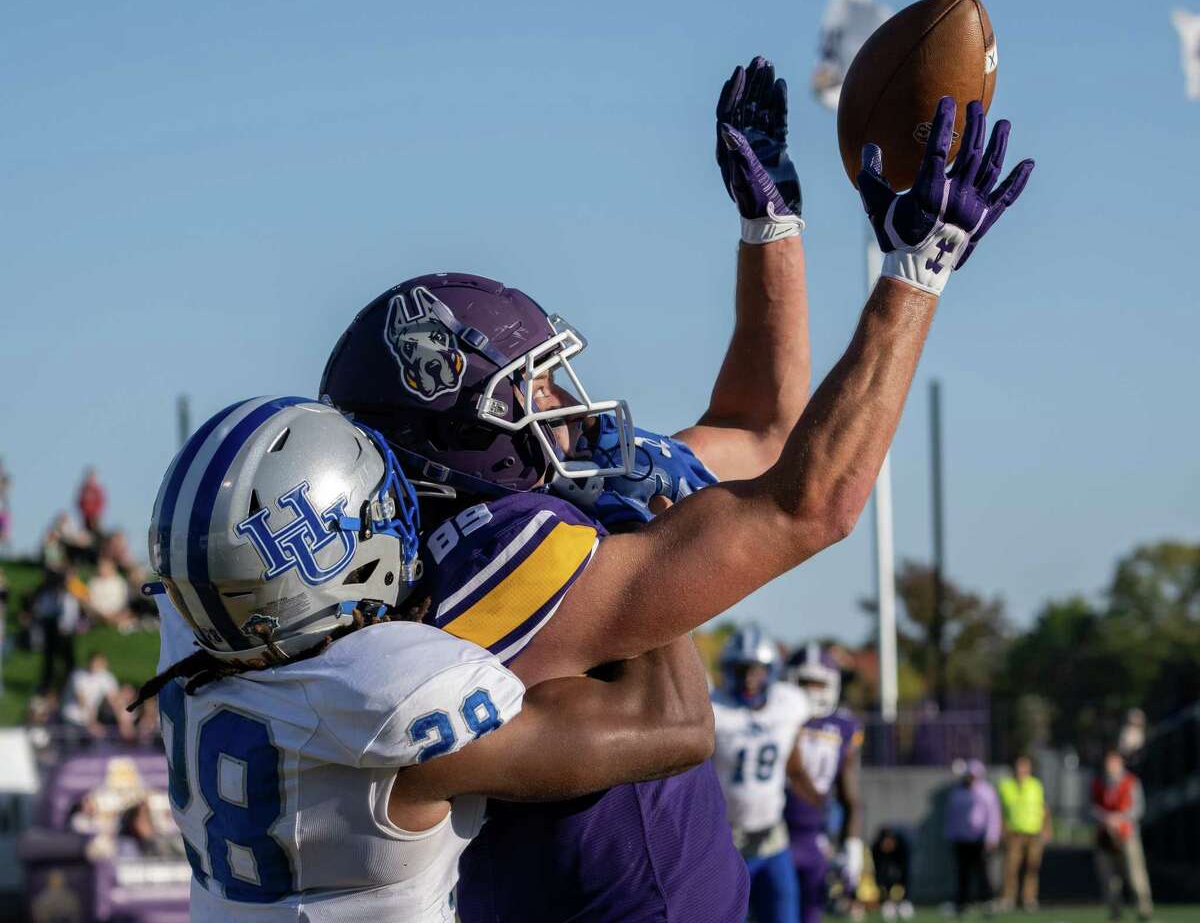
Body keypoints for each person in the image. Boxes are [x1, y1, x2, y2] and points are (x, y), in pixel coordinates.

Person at [320, 60, 1034, 919]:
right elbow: (814, 504)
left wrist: (771, 227)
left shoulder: (504, 517)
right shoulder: (494, 558)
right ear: (451, 436)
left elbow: (760, 426)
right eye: (529, 388)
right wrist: (919, 273)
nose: (559, 402)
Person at [138, 397, 714, 921]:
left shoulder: (193, 649)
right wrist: (629, 523)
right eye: (381, 504)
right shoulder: (384, 694)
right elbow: (677, 724)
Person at [712, 625, 817, 923]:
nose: (748, 679)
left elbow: (796, 764)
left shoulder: (790, 703)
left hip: (772, 839)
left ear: (771, 671)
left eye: (756, 670)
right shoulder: (714, 710)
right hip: (727, 842)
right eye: (741, 669)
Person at [784, 644, 865, 923]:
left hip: (813, 836)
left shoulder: (844, 727)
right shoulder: (775, 716)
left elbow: (849, 795)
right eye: (805, 682)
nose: (812, 690)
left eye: (819, 683)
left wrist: (852, 846)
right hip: (773, 834)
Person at [1092, 747, 1154, 921]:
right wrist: (1106, 819)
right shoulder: (1099, 782)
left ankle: (1144, 908)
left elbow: (1138, 808)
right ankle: (1115, 911)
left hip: (1127, 835)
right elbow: (1091, 808)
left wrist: (1120, 819)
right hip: (1105, 837)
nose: (1110, 765)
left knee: (1135, 875)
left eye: (1114, 761)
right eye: (1108, 762)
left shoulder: (1131, 782)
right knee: (1109, 878)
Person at [944, 758, 1001, 916]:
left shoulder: (986, 791)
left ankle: (987, 901)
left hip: (980, 839)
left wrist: (992, 837)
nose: (971, 778)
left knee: (982, 872)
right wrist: (951, 834)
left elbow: (993, 816)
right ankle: (963, 902)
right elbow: (952, 816)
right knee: (963, 873)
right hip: (962, 839)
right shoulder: (958, 792)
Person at [997, 753, 1051, 911]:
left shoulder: (1036, 785)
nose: (1022, 769)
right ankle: (1008, 898)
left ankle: (1029, 899)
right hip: (1014, 833)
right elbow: (1000, 811)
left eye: (1025, 766)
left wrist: (1047, 828)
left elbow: (1043, 808)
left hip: (1034, 832)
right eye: (1019, 766)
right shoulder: (1005, 786)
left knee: (1032, 868)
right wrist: (1001, 830)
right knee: (1010, 868)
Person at [63, 650, 134, 739]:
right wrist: (92, 723)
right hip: (72, 719)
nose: (95, 666)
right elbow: (82, 701)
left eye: (99, 663)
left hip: (90, 719)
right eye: (94, 663)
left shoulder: (106, 677)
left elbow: (115, 702)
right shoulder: (78, 676)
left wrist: (124, 723)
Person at [32, 568, 81, 693]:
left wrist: (64, 627)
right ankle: (47, 684)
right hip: (51, 628)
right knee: (50, 658)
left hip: (64, 632)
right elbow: (42, 610)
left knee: (67, 659)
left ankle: (68, 683)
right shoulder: (46, 593)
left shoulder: (67, 596)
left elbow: (69, 613)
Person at [872, 827, 913, 921]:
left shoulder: (903, 846)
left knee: (904, 876)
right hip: (885, 865)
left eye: (889, 843)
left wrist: (904, 895)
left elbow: (906, 870)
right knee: (884, 877)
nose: (887, 846)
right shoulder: (876, 848)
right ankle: (887, 903)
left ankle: (905, 902)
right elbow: (878, 872)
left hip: (901, 862)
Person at [85, 556, 135, 630]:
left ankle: (114, 621)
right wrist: (103, 613)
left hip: (117, 611)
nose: (103, 569)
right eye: (101, 567)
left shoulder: (120, 582)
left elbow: (123, 600)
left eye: (106, 567)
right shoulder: (93, 582)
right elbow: (91, 601)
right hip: (99, 613)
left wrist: (114, 612)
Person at [77, 467, 106, 537]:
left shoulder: (97, 489)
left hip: (96, 517)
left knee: (97, 533)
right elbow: (79, 502)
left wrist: (95, 513)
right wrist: (86, 512)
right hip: (86, 517)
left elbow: (101, 503)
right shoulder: (84, 489)